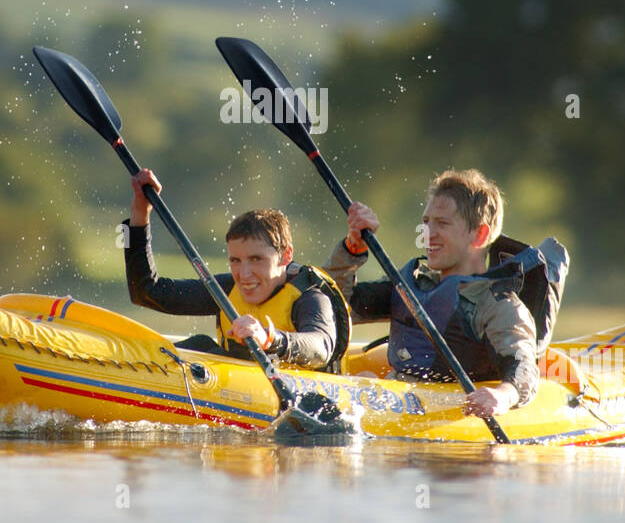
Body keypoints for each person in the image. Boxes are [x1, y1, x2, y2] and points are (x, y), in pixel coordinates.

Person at [324, 169, 553, 417]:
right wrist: (352, 248)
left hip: (455, 411)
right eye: (426, 223)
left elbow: (523, 367)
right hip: (398, 402)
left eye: (442, 223)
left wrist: (502, 396)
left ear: (480, 234)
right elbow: (333, 306)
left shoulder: (498, 304)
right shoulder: (415, 284)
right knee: (365, 378)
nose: (428, 234)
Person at [123, 169, 350, 372]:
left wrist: (270, 339)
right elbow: (145, 293)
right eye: (235, 260)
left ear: (286, 255)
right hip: (240, 389)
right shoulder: (226, 290)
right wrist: (138, 215)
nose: (244, 273)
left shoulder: (310, 297)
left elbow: (320, 349)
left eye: (256, 259)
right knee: (200, 345)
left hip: (307, 397)